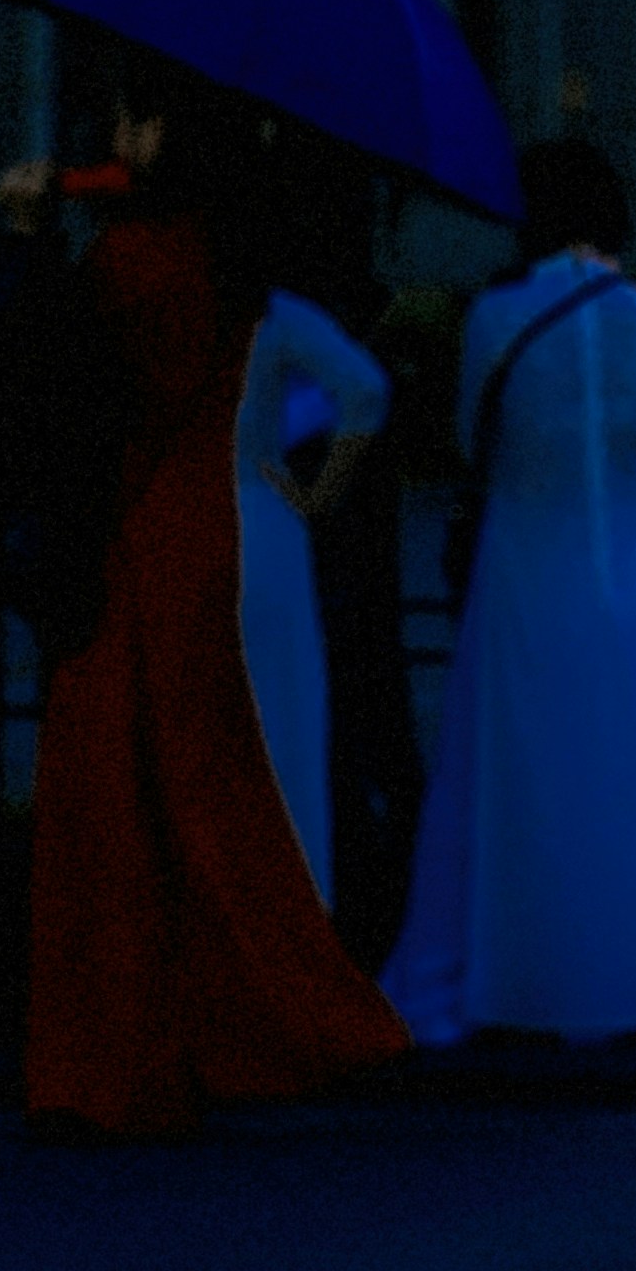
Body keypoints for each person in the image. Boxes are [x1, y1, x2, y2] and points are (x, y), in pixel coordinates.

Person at [18, 76, 408, 1143]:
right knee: (233, 783)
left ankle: (131, 1045)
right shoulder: (241, 269)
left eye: (135, 120)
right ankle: (264, 1015)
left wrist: (28, 235)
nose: (117, 133)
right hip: (235, 532)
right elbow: (357, 387)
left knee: (121, 795)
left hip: (146, 537)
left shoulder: (132, 262)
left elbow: (56, 379)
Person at [384, 138, 636, 1049]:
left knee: (523, 767)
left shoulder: (495, 316)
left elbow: (469, 439)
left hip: (527, 563)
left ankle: (529, 968)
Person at [231, 281, 390, 909]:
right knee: (279, 721)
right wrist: (321, 494)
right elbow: (365, 389)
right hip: (263, 518)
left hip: (171, 520)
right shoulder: (275, 313)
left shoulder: (143, 300)